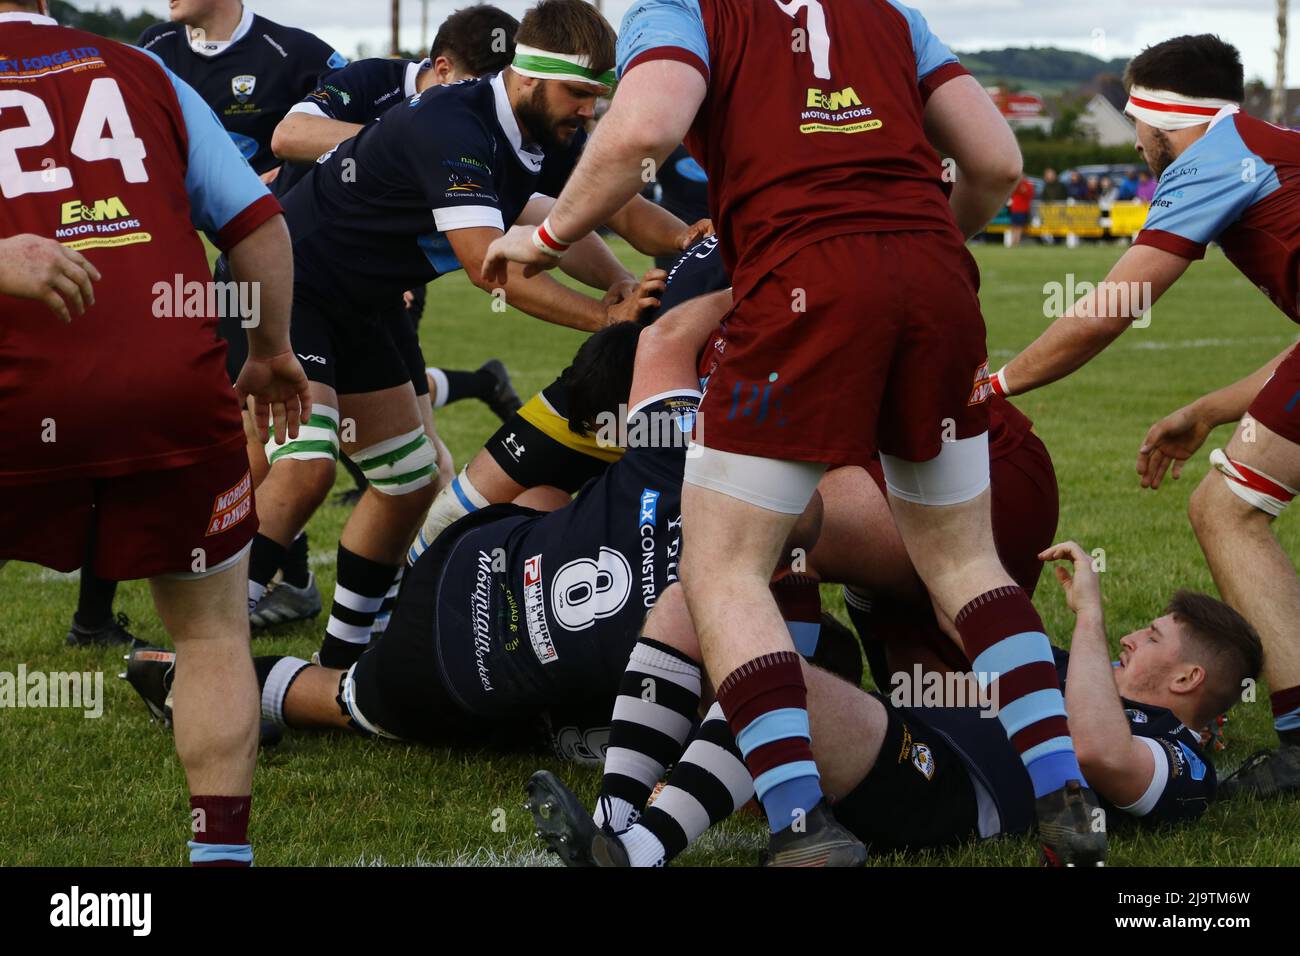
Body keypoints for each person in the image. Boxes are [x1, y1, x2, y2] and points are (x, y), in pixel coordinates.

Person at [481, 0, 1104, 865]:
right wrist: (917, 250)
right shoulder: (889, 13)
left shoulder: (684, 10)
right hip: (934, 275)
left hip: (805, 281)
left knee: (722, 566)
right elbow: (997, 161)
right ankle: (1064, 791)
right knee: (964, 562)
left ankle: (801, 822)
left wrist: (546, 238)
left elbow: (639, 134)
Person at [259, 0, 705, 672]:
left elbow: (607, 201)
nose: (589, 111)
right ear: (529, 79)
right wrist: (602, 316)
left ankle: (341, 661)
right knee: (306, 470)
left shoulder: (529, 127)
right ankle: (208, 642)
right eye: (580, 94)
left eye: (597, 97)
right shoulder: (455, 126)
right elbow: (491, 270)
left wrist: (684, 237)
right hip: (287, 283)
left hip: (362, 303)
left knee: (410, 482)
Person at [0, 0, 311, 865]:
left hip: (14, 394)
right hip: (166, 386)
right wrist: (273, 349)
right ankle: (220, 856)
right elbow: (256, 221)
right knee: (212, 634)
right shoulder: (144, 68)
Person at [987, 34, 1300, 796]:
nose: (1134, 139)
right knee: (1224, 504)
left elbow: (1114, 307)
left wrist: (997, 384)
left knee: (1227, 509)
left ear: (1166, 112)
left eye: (1136, 117)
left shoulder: (1210, 158)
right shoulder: (1263, 149)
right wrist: (1211, 409)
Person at [528, 548, 1262, 866]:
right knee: (697, 600)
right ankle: (615, 816)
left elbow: (1100, 753)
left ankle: (643, 850)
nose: (1134, 636)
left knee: (780, 683)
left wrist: (1094, 618)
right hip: (903, 738)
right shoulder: (1080, 676)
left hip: (945, 792)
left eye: (1155, 636)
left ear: (1188, 678)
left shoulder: (1183, 756)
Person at [237, 4, 525, 628]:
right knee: (282, 464)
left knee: (421, 471)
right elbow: (288, 137)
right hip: (294, 275)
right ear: (442, 68)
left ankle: (365, 633)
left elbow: (540, 210)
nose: (487, 107)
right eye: (480, 88)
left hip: (375, 290)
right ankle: (215, 623)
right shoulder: (376, 83)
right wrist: (407, 148)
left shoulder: (491, 130)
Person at [139, 0, 346, 181]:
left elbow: (365, 119)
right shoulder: (155, 45)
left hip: (270, 215)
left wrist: (294, 174)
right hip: (177, 212)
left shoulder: (296, 51)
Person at [1007, 175, 1035, 245]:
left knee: (1019, 226)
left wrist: (1023, 189)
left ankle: (1016, 242)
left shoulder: (1027, 185)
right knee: (1014, 226)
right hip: (1014, 209)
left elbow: (1030, 194)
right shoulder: (1015, 185)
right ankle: (1013, 241)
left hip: (1022, 209)